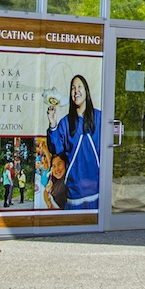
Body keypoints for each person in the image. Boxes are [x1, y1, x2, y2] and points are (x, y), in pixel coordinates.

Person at [45, 73, 103, 210]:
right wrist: (53, 123)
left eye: (79, 86)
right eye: (73, 88)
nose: (76, 91)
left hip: (97, 189)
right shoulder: (65, 122)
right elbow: (56, 149)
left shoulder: (100, 118)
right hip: (74, 191)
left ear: (86, 91)